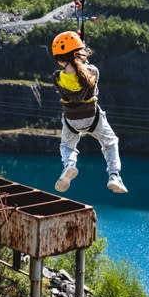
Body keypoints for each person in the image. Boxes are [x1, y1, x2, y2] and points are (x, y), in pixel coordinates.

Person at [51, 30, 127, 194]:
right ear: (78, 53)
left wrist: (77, 52)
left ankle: (69, 166)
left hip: (71, 120)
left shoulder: (57, 77)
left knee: (67, 146)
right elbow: (85, 71)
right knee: (110, 142)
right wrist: (80, 49)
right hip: (93, 118)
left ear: (58, 60)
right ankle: (114, 175)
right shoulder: (93, 72)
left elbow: (74, 70)